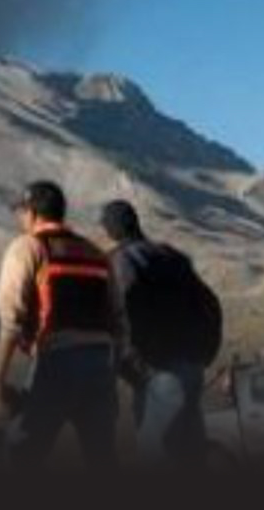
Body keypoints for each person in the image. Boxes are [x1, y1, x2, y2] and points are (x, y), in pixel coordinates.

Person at [0, 180, 126, 466]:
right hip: (100, 364)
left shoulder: (28, 247)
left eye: (21, 211)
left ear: (33, 213)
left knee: (20, 454)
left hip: (56, 362)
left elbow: (10, 320)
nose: (20, 218)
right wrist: (109, 369)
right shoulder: (95, 253)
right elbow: (118, 320)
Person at [99, 199, 224, 466]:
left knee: (158, 456)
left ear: (110, 230)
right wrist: (204, 355)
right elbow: (210, 304)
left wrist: (136, 369)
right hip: (191, 368)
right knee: (191, 455)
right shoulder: (172, 256)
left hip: (159, 372)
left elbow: (123, 311)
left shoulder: (121, 262)